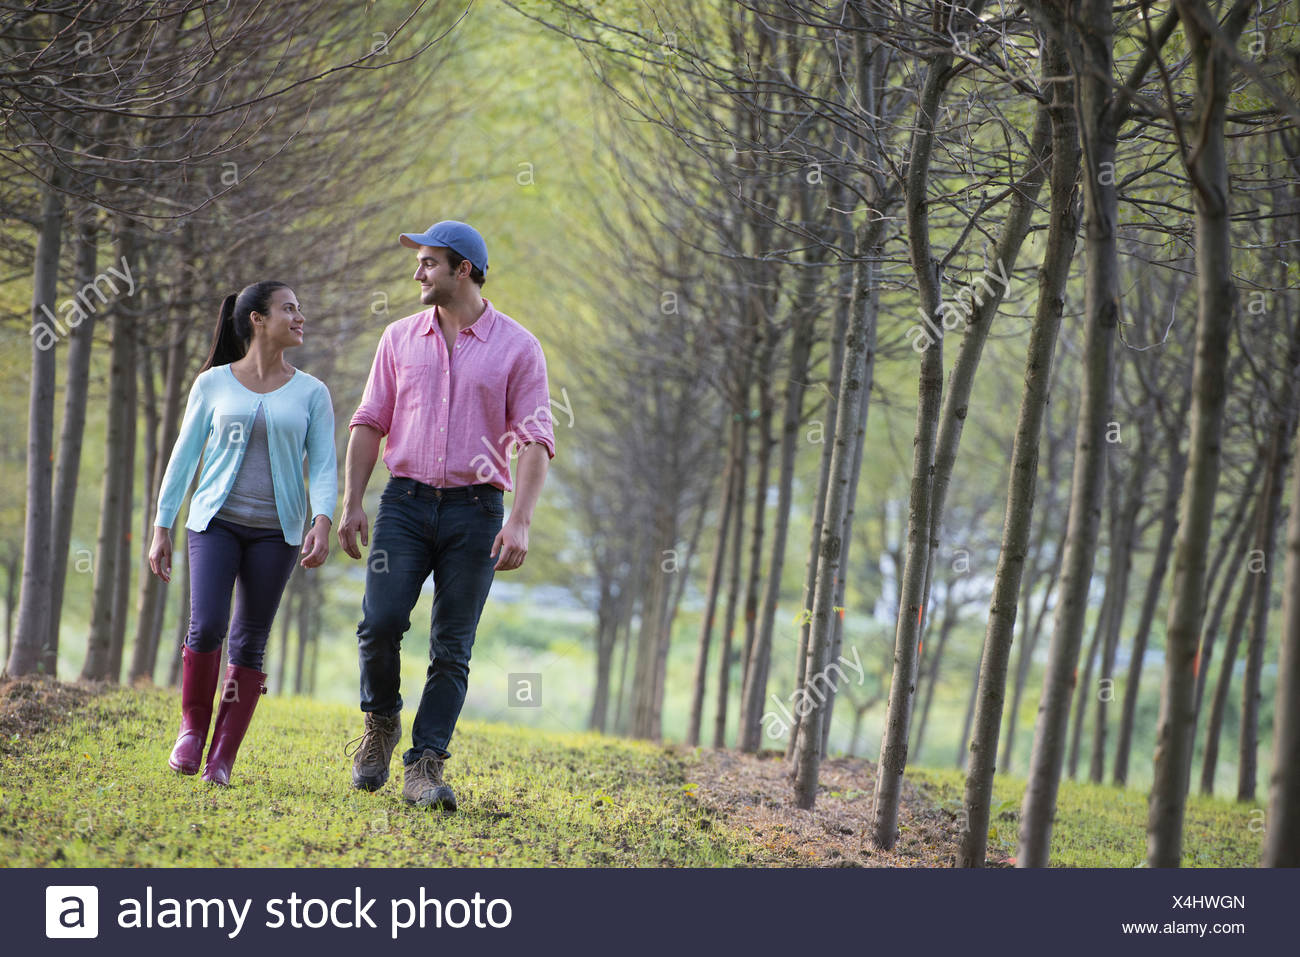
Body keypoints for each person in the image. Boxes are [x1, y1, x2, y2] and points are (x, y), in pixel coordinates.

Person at [339, 220, 555, 810]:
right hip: (403, 505)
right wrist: (352, 502)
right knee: (380, 624)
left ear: (464, 269)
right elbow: (368, 421)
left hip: (476, 512)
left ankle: (426, 763)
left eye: (429, 263)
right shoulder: (398, 338)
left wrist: (521, 519)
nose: (418, 273)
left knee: (452, 646)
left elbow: (535, 438)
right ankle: (380, 723)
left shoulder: (518, 347)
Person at [149, 281, 337, 786]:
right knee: (207, 626)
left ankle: (222, 758)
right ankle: (192, 731)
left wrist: (323, 519)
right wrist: (161, 525)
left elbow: (322, 465)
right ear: (257, 318)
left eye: (300, 308)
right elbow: (183, 457)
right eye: (289, 309)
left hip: (277, 532)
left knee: (249, 641)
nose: (300, 317)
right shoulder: (212, 383)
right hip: (215, 523)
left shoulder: (312, 393)